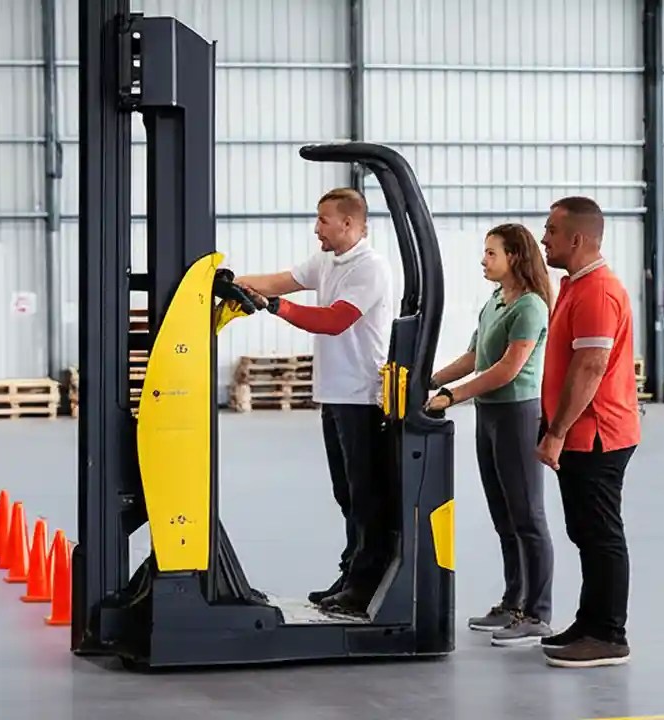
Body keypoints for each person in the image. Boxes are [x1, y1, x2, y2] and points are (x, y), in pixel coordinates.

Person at [233, 187, 395, 617]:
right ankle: (351, 574)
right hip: (334, 395)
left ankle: (365, 586)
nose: (316, 227)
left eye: (323, 219)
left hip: (362, 396)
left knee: (365, 496)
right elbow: (283, 279)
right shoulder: (327, 260)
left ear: (349, 223)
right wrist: (231, 284)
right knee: (346, 494)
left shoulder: (370, 268)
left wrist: (276, 308)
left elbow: (335, 320)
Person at [426, 223, 557, 647]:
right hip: (490, 414)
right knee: (504, 514)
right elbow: (473, 356)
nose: (484, 260)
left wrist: (452, 396)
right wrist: (427, 382)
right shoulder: (497, 301)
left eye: (491, 253)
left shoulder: (531, 307)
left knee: (528, 516)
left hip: (517, 414)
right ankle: (513, 600)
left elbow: (506, 369)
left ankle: (537, 612)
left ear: (514, 257)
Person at [534, 196, 641, 668]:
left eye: (551, 231)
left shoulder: (597, 291)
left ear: (576, 239)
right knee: (585, 531)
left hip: (596, 434)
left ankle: (608, 634)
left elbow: (591, 364)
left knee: (600, 533)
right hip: (582, 432)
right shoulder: (575, 286)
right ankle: (590, 622)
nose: (543, 239)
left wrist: (556, 431)